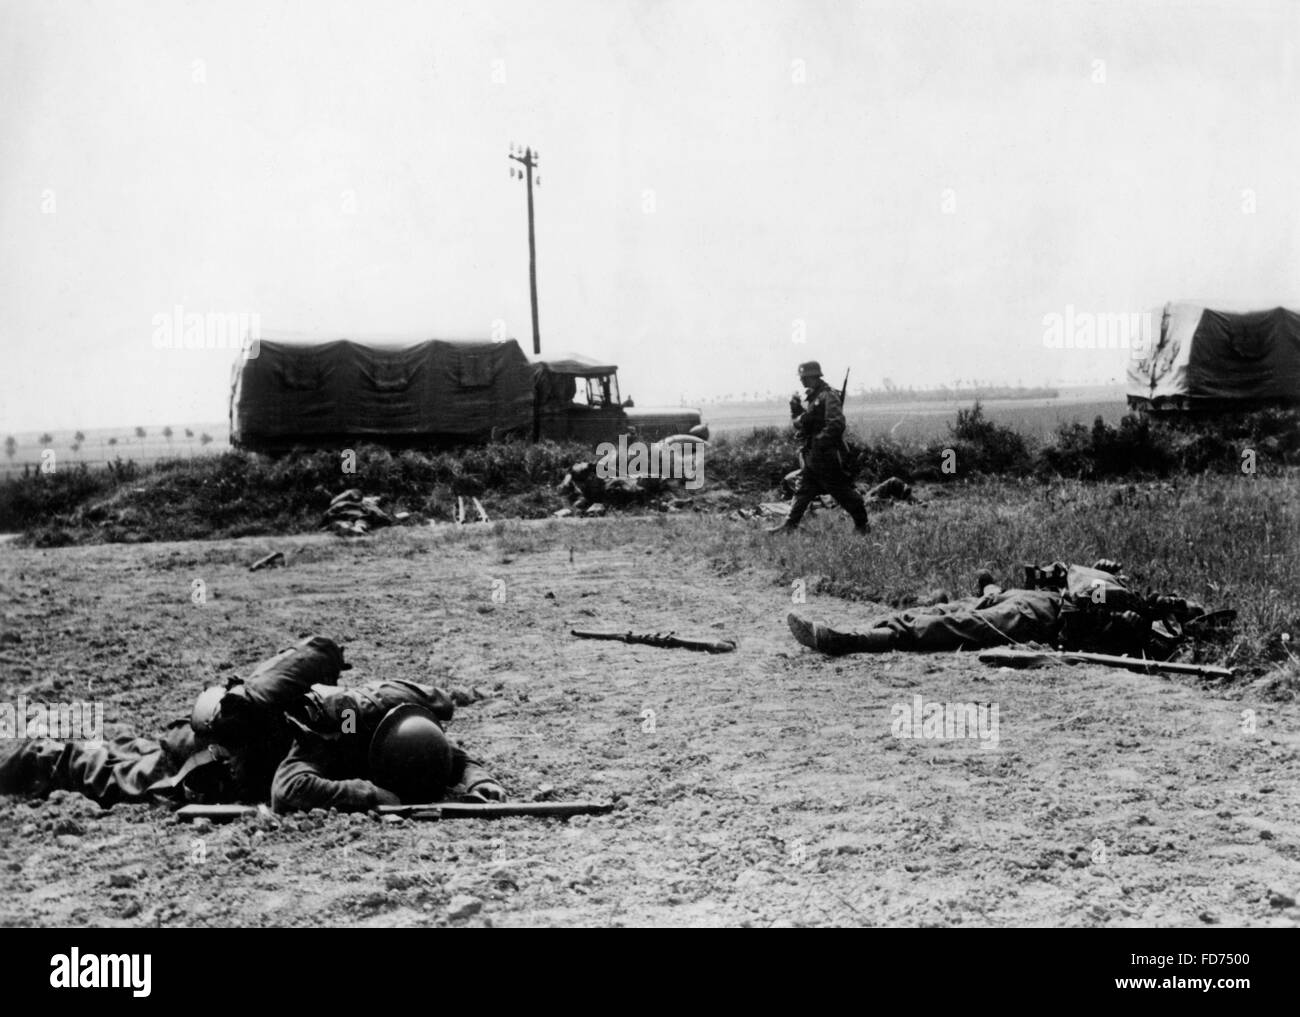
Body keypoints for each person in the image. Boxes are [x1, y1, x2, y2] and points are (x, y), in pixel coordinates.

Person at [787, 559, 1212, 656]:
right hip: (1035, 600)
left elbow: (1091, 628)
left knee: (957, 625)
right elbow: (1074, 584)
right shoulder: (1128, 595)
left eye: (1180, 608)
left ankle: (847, 641)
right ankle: (868, 627)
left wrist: (1130, 620)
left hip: (1040, 619)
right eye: (1178, 601)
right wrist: (1093, 574)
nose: (1172, 603)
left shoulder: (1149, 627)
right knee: (948, 610)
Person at [270, 678, 505, 812]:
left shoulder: (412, 729)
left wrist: (479, 779)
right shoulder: (338, 732)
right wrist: (369, 794)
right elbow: (288, 789)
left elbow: (455, 757)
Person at [768, 361, 869, 535]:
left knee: (840, 489)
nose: (801, 381)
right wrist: (796, 409)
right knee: (804, 489)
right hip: (813, 454)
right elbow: (805, 423)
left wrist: (820, 442)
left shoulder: (827, 396)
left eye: (803, 377)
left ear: (812, 376)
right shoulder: (814, 397)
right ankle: (790, 526)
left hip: (826, 455)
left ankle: (862, 525)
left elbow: (836, 424)